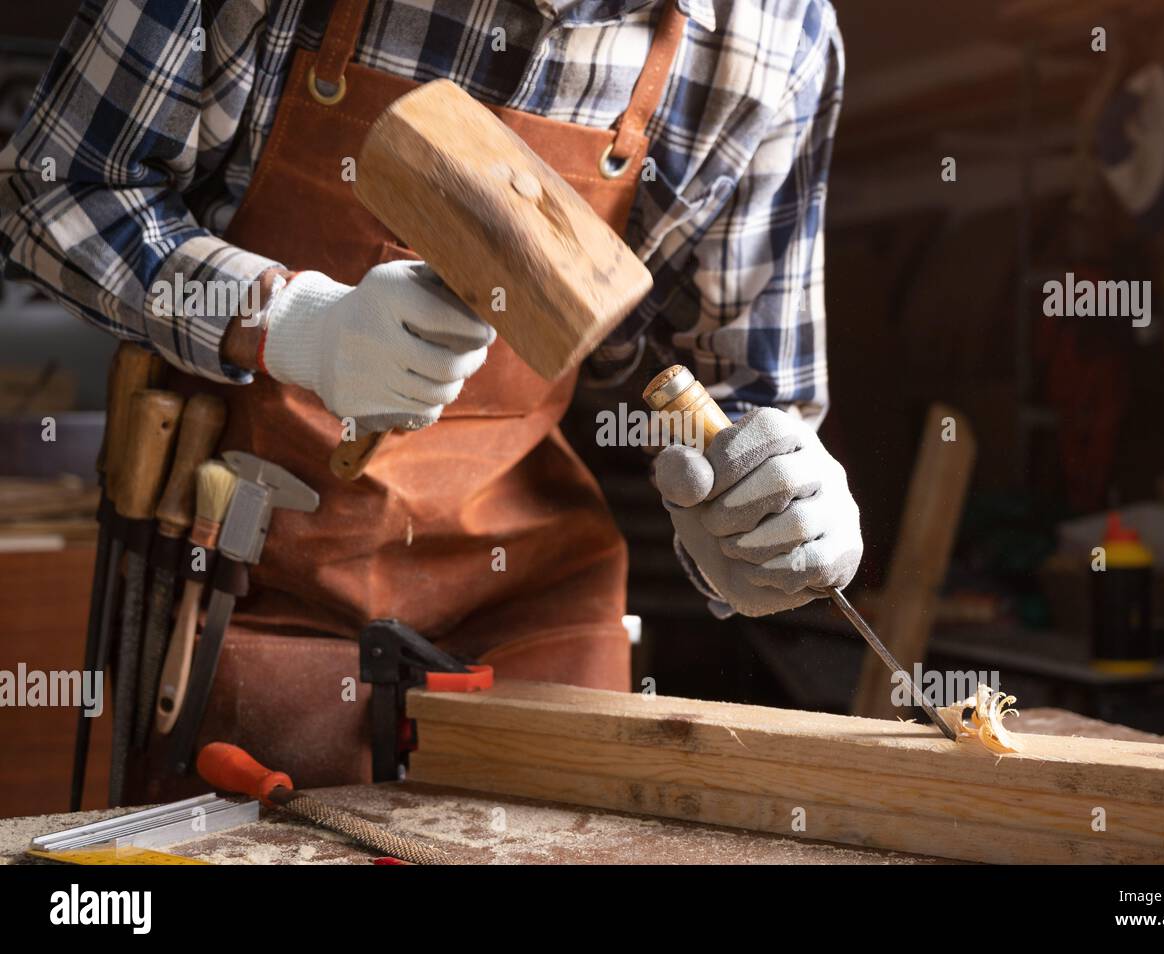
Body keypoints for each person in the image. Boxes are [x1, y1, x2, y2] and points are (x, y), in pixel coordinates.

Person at [0, 0, 861, 796]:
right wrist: (292, 324)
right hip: (248, 581)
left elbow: (746, 395)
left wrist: (766, 519)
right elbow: (54, 188)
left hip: (529, 602)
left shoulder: (776, 32)